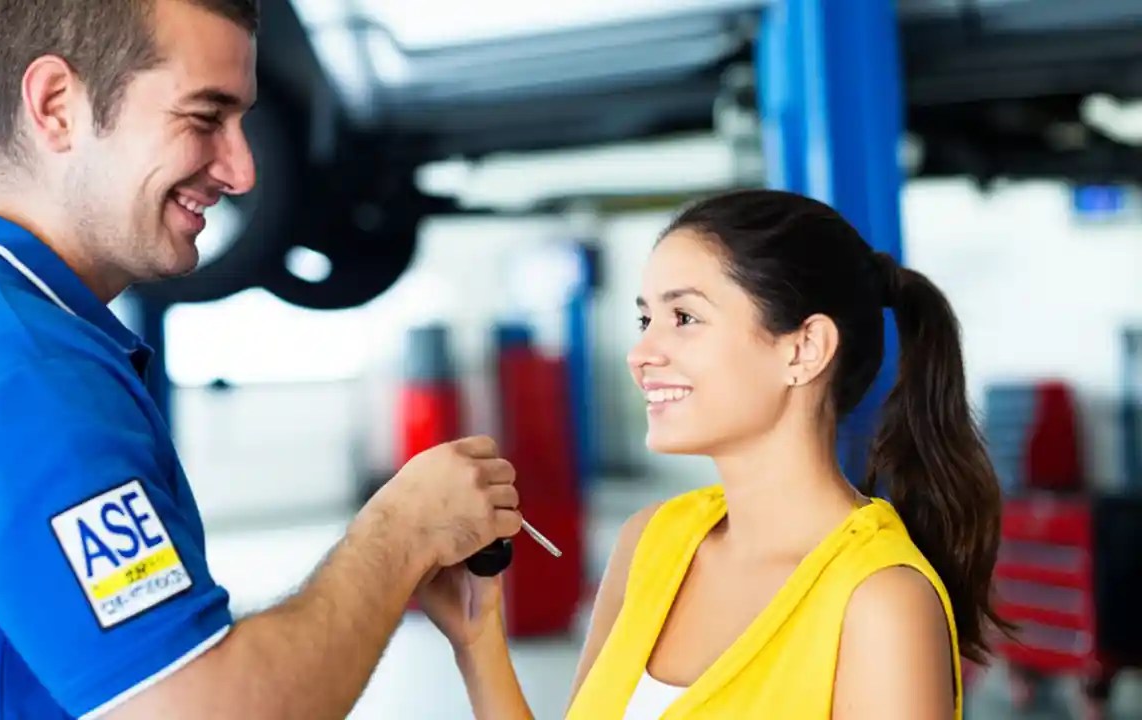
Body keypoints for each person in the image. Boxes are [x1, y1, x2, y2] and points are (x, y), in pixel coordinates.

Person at [0, 1, 523, 718]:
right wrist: (403, 532)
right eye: (205, 118)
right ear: (57, 105)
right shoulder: (19, 376)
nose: (242, 170)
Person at [416, 189, 1010, 719]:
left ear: (804, 349)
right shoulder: (652, 540)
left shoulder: (881, 603)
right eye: (646, 318)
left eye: (683, 317)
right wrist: (477, 637)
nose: (641, 351)